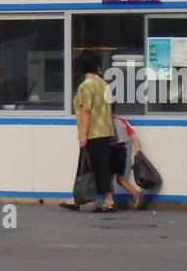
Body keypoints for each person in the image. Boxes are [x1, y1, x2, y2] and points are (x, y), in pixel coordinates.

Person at [59, 56, 117, 212]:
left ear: (83, 70)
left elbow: (86, 110)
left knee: (86, 167)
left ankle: (81, 199)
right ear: (97, 69)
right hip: (106, 131)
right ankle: (105, 200)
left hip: (93, 133)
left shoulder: (85, 86)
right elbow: (111, 109)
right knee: (102, 167)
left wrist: (83, 134)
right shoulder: (105, 85)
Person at [110, 115, 147, 209]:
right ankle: (136, 194)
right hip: (123, 150)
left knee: (109, 179)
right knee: (120, 179)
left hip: (113, 149)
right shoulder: (122, 120)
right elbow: (132, 133)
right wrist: (137, 147)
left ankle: (110, 202)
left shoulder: (106, 121)